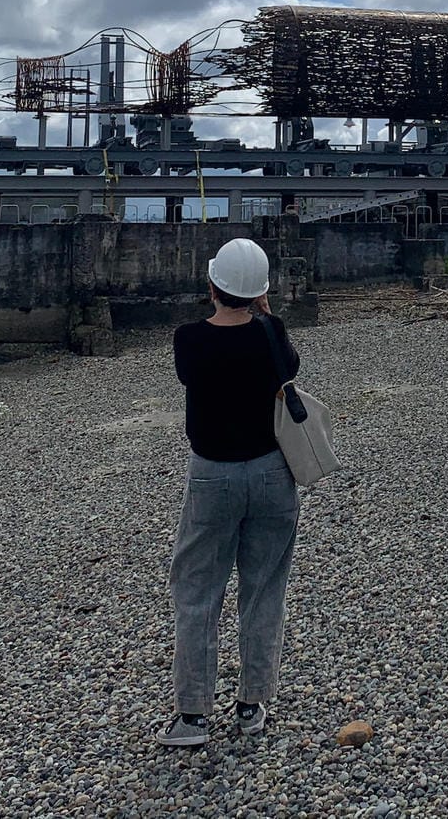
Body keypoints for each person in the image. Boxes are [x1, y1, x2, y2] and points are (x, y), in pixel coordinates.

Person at [155, 236, 301, 747]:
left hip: (212, 475)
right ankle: (252, 703)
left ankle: (193, 715)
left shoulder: (190, 340)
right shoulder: (271, 333)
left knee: (197, 592)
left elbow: (189, 378)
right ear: (261, 291)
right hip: (272, 472)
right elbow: (289, 369)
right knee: (263, 590)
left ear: (213, 285)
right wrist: (265, 313)